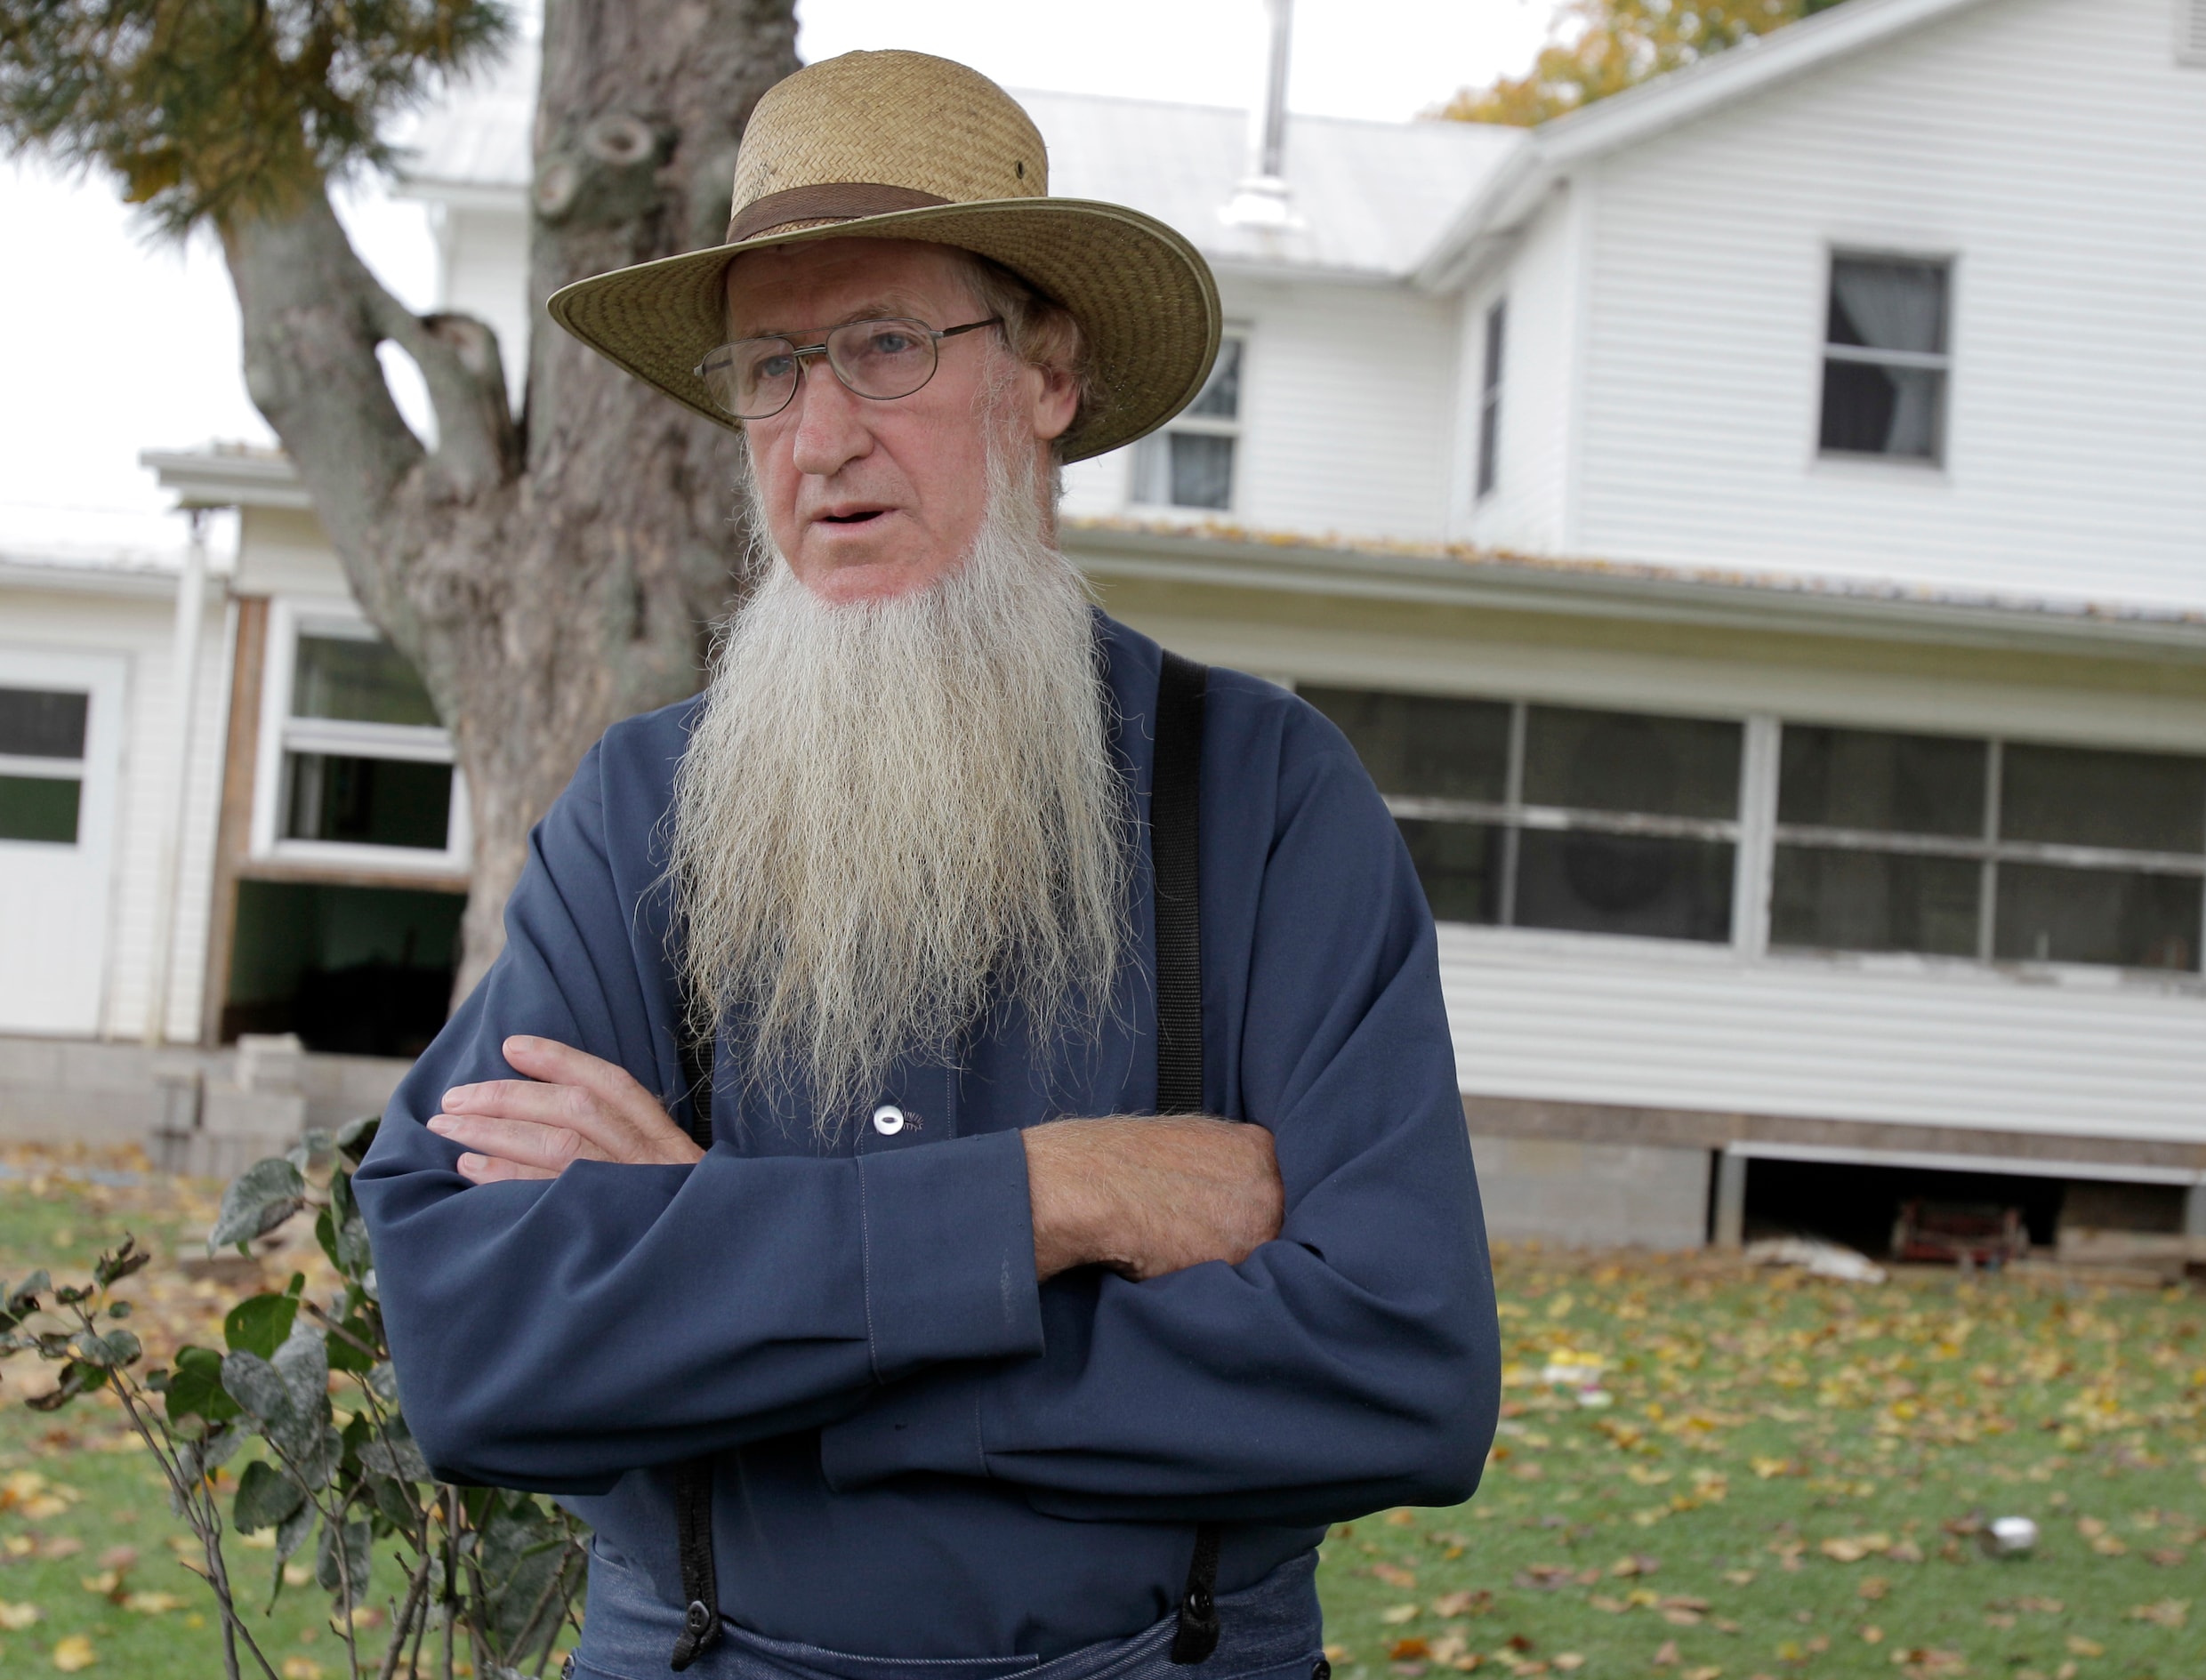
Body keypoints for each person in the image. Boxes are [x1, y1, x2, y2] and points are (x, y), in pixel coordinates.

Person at [353, 48, 1500, 1680]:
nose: (818, 437)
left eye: (885, 348)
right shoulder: (643, 811)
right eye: (768, 369)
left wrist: (735, 1276)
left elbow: (1402, 1371)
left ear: (1046, 375)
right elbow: (470, 1342)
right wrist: (1060, 1198)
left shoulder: (1264, 798)